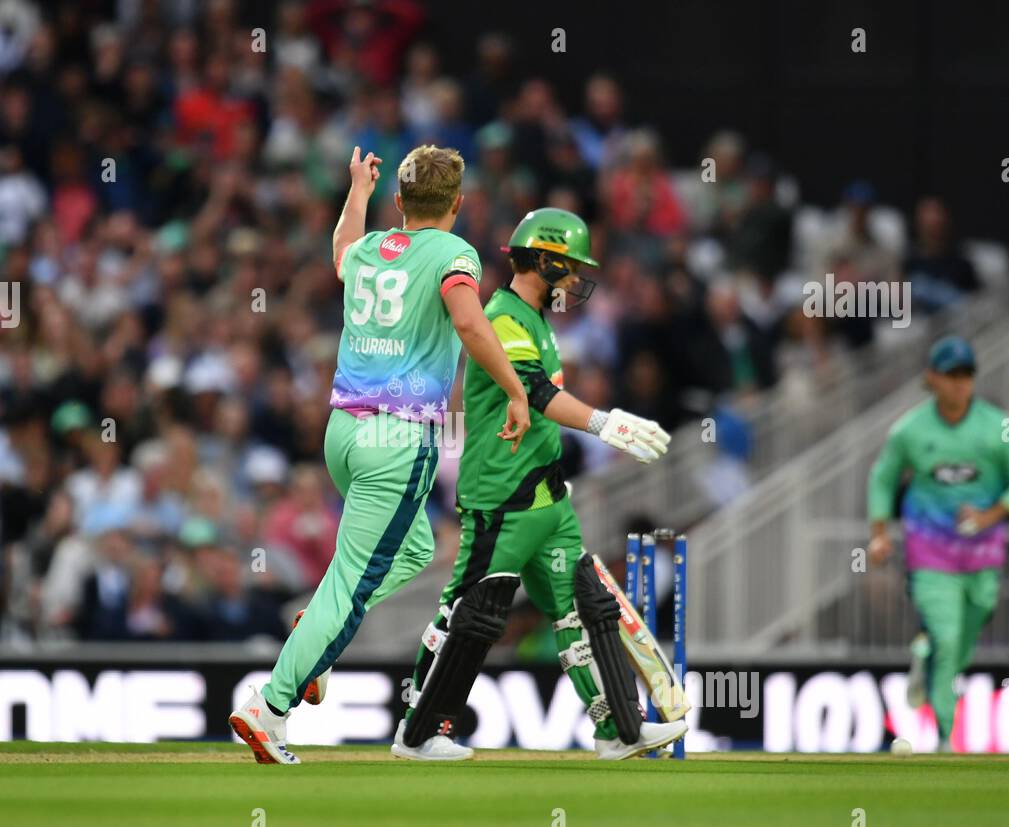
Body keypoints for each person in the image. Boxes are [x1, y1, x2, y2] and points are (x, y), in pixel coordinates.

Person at [229, 144, 531, 764]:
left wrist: (356, 193)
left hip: (342, 432)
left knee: (415, 547)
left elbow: (341, 251)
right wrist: (516, 390)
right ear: (457, 203)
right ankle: (270, 706)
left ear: (399, 201)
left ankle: (314, 628)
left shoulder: (369, 249)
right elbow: (472, 325)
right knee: (352, 580)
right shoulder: (454, 253)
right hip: (398, 440)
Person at [390, 208, 683, 761]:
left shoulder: (536, 320)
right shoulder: (502, 317)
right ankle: (418, 732)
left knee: (586, 609)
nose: (575, 281)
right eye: (569, 268)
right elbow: (535, 393)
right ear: (544, 261)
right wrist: (607, 423)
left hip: (548, 496)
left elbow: (541, 405)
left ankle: (619, 730)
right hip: (500, 496)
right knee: (468, 615)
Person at [867, 336, 1009, 751]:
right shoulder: (910, 430)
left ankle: (926, 665)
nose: (960, 384)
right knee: (946, 637)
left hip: (983, 554)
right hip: (930, 552)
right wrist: (878, 534)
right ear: (932, 378)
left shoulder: (997, 426)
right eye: (951, 375)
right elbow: (883, 478)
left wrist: (990, 516)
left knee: (963, 642)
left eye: (966, 375)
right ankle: (946, 737)